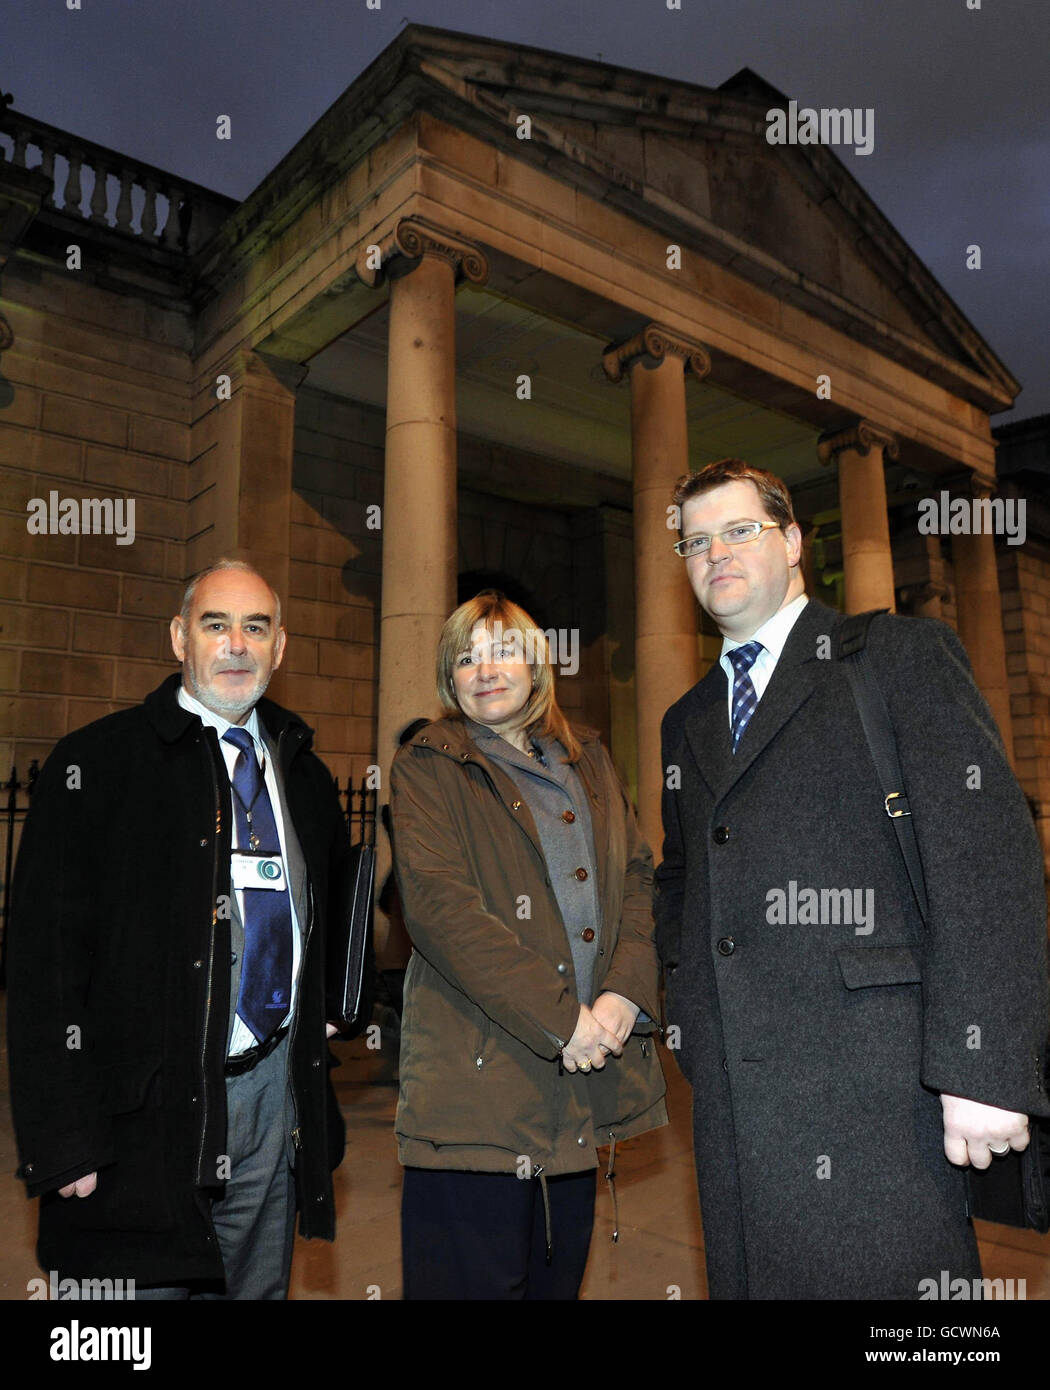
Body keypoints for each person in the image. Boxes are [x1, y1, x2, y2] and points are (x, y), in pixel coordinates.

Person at [654, 457, 1050, 1300]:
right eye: (695, 542)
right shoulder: (684, 721)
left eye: (739, 530)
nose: (715, 554)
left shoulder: (896, 656)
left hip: (883, 1085)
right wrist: (689, 1006)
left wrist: (984, 1064)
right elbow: (681, 877)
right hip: (734, 1090)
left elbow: (986, 854)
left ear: (792, 540)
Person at [7, 558, 364, 1299]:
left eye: (256, 627)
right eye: (215, 624)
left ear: (281, 646)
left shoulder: (304, 776)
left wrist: (328, 1003)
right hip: (141, 1114)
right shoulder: (97, 765)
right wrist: (62, 1138)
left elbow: (326, 903)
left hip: (271, 1106)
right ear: (179, 637)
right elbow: (43, 967)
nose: (236, 644)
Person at [389, 591, 667, 1300]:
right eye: (466, 658)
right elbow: (441, 910)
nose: (485, 670)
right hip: (475, 1096)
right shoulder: (430, 764)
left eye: (503, 651)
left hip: (579, 1095)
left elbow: (640, 878)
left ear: (538, 665)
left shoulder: (592, 761)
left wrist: (622, 995)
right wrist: (562, 1019)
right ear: (449, 677)